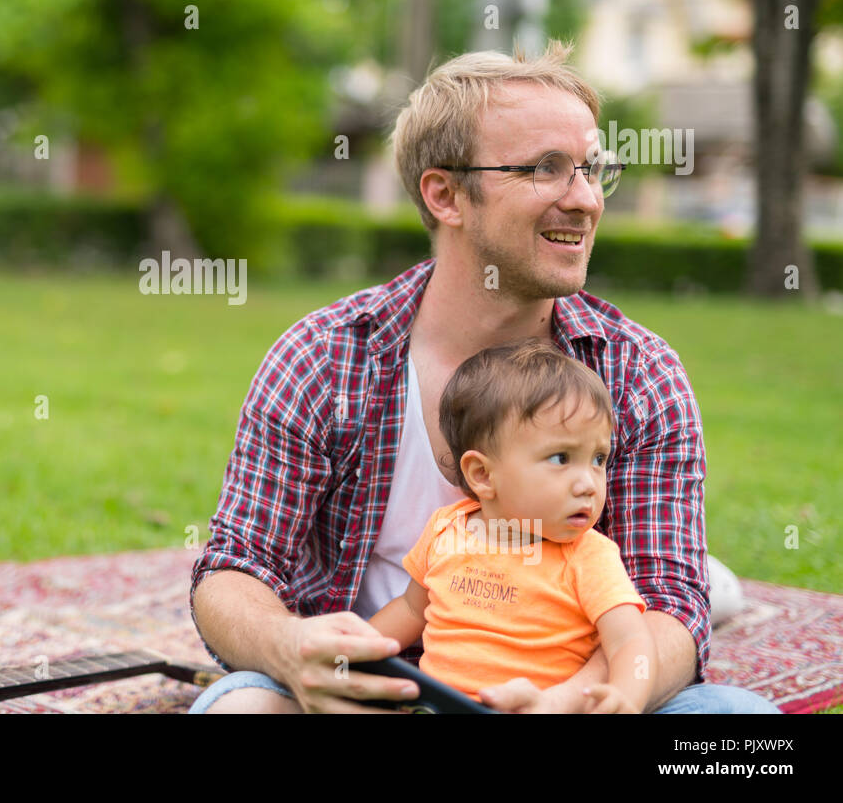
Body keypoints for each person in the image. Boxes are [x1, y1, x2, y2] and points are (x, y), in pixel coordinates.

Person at [187, 41, 779, 714]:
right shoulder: (324, 357)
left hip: (571, 692)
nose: (584, 199)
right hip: (369, 694)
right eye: (545, 170)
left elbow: (670, 603)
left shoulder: (639, 371)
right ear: (445, 195)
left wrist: (572, 699)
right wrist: (288, 648)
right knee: (241, 709)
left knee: (738, 724)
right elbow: (237, 566)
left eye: (592, 169)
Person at [366, 339, 654, 712]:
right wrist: (353, 653)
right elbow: (410, 610)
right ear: (482, 474)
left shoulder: (589, 557)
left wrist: (627, 696)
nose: (589, 483)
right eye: (561, 458)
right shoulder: (446, 530)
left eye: (598, 458)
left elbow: (630, 642)